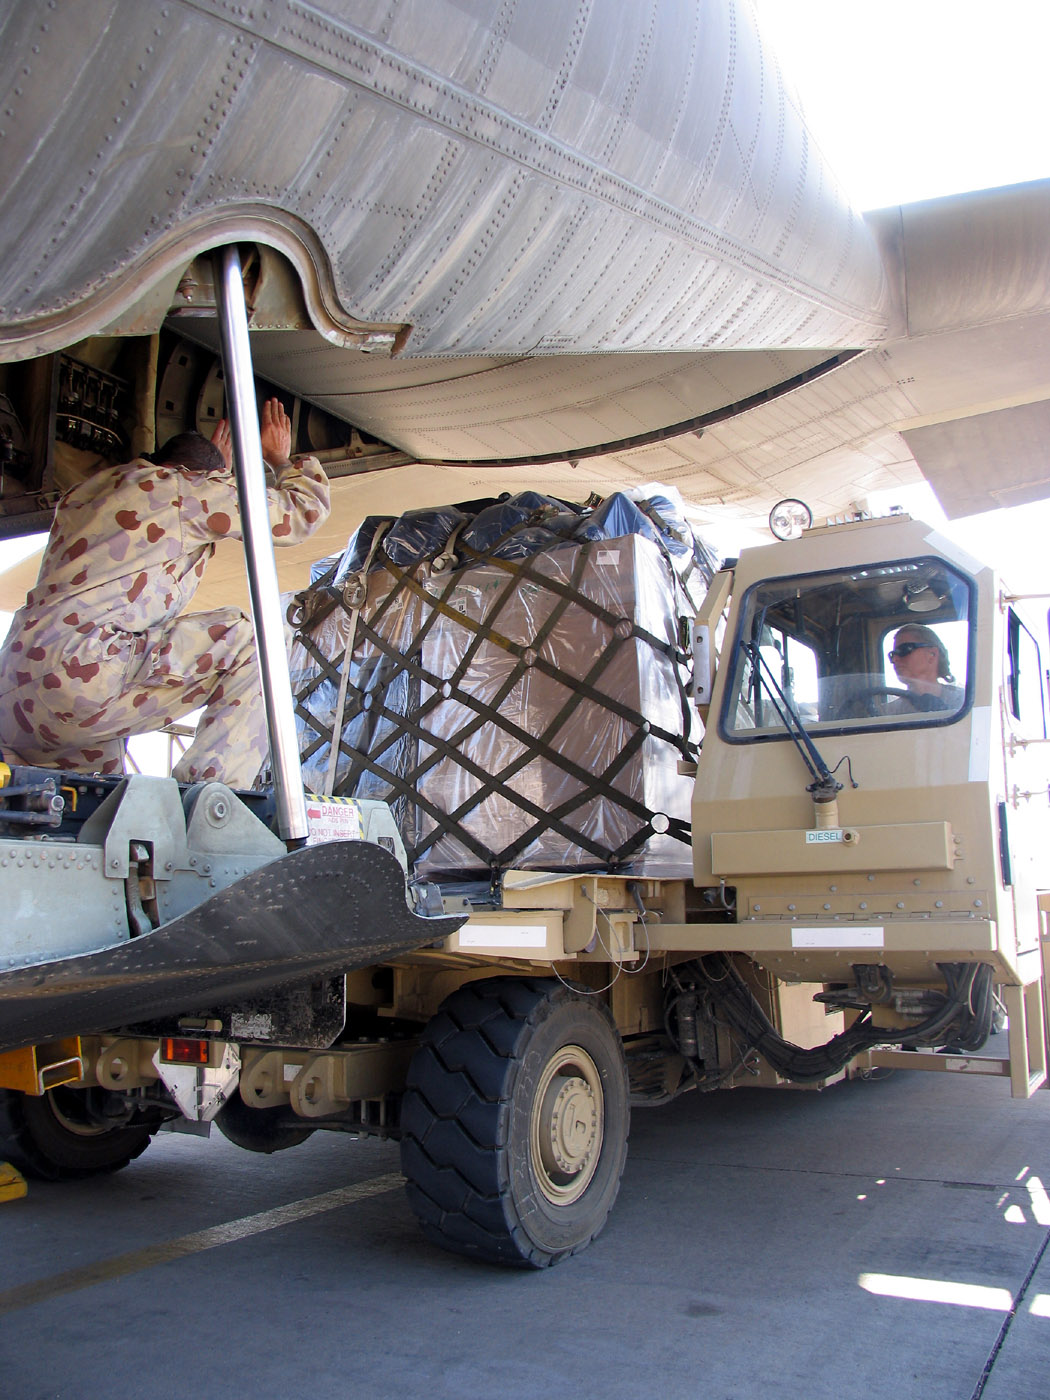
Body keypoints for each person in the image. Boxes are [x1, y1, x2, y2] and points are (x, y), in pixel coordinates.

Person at [0, 398, 330, 787]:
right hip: (81, 676)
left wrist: (213, 474)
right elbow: (300, 513)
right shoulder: (181, 491)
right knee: (253, 641)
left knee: (91, 805)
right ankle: (211, 801)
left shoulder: (84, 494)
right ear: (193, 474)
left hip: (16, 698)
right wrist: (280, 459)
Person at [887, 624, 964, 712]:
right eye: (892, 654)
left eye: (904, 649)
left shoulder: (963, 701)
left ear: (932, 654)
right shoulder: (888, 713)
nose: (894, 659)